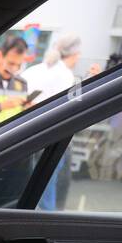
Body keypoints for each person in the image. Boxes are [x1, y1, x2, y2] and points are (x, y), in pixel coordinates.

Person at [22, 35, 84, 209]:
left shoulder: (34, 70)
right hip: (54, 138)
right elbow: (76, 108)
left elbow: (20, 100)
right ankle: (46, 223)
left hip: (26, 136)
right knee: (47, 187)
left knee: (30, 184)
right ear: (74, 54)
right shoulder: (68, 76)